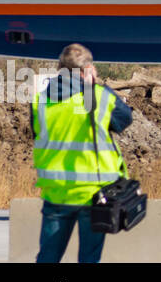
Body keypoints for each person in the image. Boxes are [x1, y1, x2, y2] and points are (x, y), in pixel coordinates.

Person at [32, 44, 132, 263]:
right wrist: (95, 86)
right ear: (87, 70)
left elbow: (36, 134)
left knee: (47, 257)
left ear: (60, 68)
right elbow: (125, 120)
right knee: (89, 258)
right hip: (93, 195)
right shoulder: (99, 96)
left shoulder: (41, 101)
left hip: (56, 193)